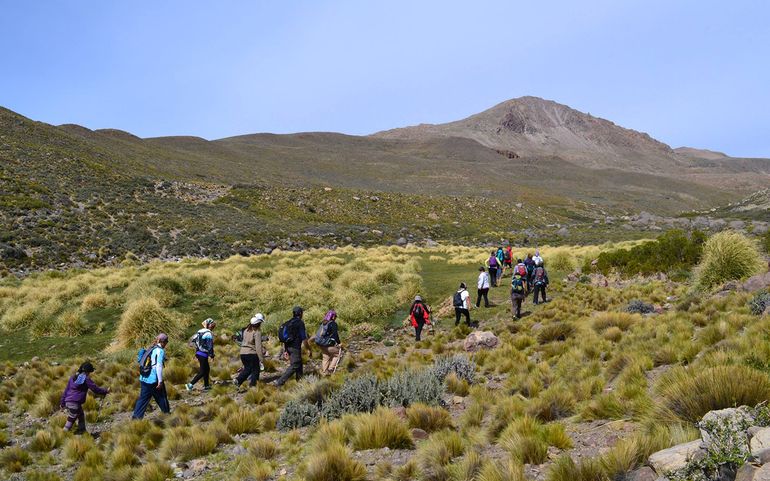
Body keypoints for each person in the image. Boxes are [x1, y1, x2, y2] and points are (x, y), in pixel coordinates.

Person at [59, 361, 109, 434]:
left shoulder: (72, 377)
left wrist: (62, 403)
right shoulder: (86, 379)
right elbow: (95, 389)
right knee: (71, 418)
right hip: (75, 403)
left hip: (68, 402)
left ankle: (82, 431)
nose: (90, 373)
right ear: (87, 371)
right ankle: (63, 433)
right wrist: (105, 391)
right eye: (89, 372)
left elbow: (66, 391)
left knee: (81, 415)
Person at [132, 333, 171, 419]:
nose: (167, 343)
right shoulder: (160, 351)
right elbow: (158, 366)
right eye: (166, 341)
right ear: (163, 342)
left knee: (143, 399)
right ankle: (167, 415)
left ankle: (136, 419)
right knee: (162, 397)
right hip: (153, 379)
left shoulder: (151, 348)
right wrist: (160, 381)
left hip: (144, 378)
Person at [274, 306, 309, 387]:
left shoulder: (289, 322)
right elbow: (304, 338)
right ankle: (279, 382)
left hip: (289, 346)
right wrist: (308, 349)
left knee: (299, 363)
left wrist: (286, 350)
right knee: (295, 365)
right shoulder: (300, 323)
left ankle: (300, 381)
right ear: (300, 313)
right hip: (295, 347)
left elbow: (288, 337)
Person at [235, 313, 265, 390]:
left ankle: (238, 380)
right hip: (252, 353)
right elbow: (258, 347)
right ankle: (253, 386)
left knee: (247, 369)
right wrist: (261, 359)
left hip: (243, 353)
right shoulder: (257, 332)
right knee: (256, 370)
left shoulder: (246, 330)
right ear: (258, 323)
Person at [186, 318, 216, 391]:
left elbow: (194, 341)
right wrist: (211, 355)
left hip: (199, 353)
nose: (213, 326)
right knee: (202, 371)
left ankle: (206, 385)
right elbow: (210, 346)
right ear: (209, 325)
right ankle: (190, 385)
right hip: (203, 354)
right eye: (212, 325)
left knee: (207, 369)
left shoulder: (199, 332)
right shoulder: (208, 333)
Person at [313, 310, 342, 375]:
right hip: (328, 343)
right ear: (333, 316)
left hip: (321, 344)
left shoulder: (323, 323)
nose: (336, 317)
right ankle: (330, 369)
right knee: (337, 355)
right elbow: (335, 335)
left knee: (326, 357)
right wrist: (339, 343)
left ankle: (324, 373)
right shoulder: (332, 323)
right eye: (335, 316)